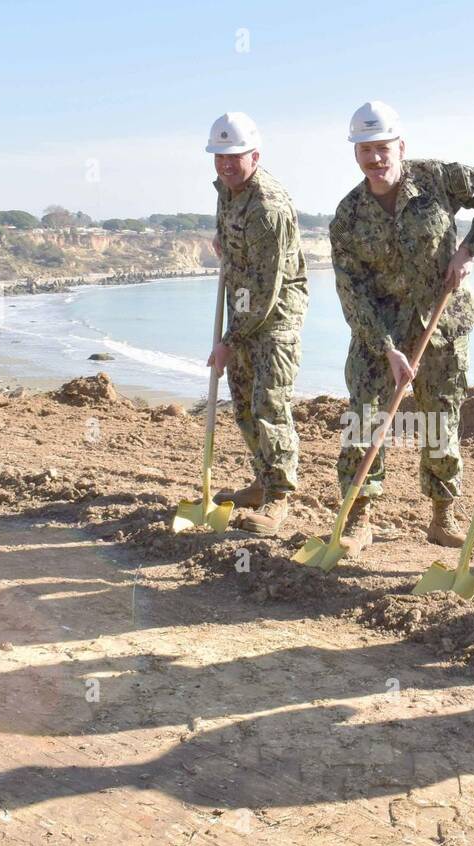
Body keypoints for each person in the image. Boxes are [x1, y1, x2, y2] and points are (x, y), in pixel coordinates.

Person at [330, 100, 474, 555]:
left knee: (439, 417)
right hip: (381, 330)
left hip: (441, 320)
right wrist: (387, 348)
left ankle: (442, 514)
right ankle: (358, 516)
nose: (375, 158)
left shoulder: (435, 179)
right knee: (365, 416)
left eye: (383, 147)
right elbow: (353, 293)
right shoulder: (348, 215)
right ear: (356, 154)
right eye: (365, 149)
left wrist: (468, 250)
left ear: (400, 146)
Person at [204, 112, 308, 535]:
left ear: (255, 155)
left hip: (274, 318)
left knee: (269, 405)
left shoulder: (267, 205)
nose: (227, 164)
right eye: (220, 156)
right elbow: (234, 243)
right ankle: (262, 482)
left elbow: (265, 292)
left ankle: (279, 498)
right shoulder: (228, 191)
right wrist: (224, 243)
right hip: (245, 310)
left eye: (236, 156)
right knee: (244, 404)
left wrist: (228, 340)